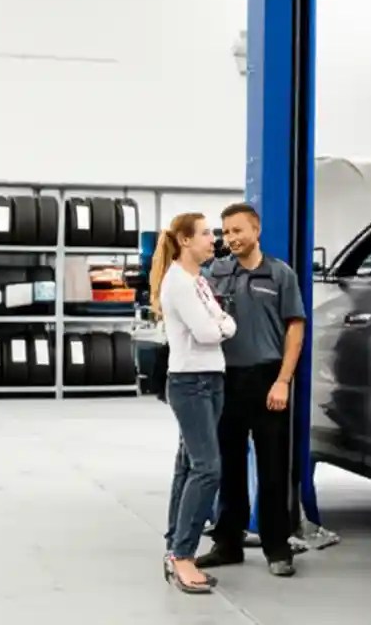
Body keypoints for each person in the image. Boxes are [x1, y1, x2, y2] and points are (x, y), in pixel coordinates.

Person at [197, 202, 306, 577]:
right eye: (226, 232)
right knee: (228, 465)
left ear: (256, 230)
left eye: (238, 230)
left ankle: (277, 547)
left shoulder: (279, 274)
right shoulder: (215, 272)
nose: (231, 238)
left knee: (272, 466)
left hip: (267, 379)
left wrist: (283, 381)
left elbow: (295, 329)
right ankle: (228, 542)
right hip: (225, 379)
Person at [149, 212, 237, 594]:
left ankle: (175, 548)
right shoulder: (178, 283)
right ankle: (183, 555)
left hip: (211, 378)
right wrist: (221, 326)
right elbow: (207, 331)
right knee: (207, 469)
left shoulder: (197, 280)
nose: (213, 239)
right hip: (191, 383)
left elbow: (223, 322)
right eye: (205, 233)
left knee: (188, 466)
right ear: (185, 240)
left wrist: (221, 325)